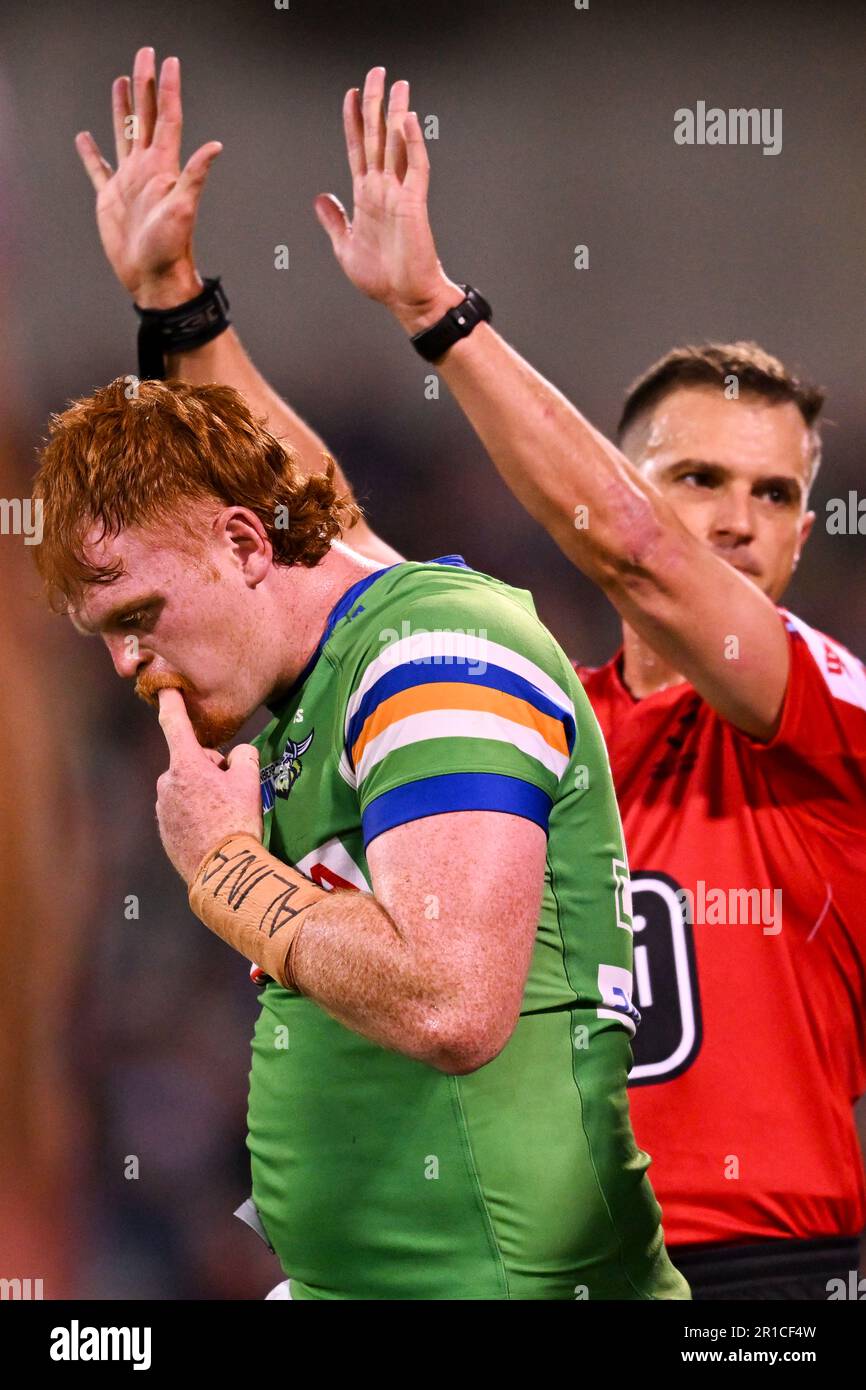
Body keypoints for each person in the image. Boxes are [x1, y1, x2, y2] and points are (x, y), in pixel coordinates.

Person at [37, 120, 690, 1294]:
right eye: (108, 637)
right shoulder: (315, 651)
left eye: (140, 613)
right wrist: (172, 303)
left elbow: (451, 1002)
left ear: (243, 547)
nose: (133, 663)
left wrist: (227, 870)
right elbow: (299, 498)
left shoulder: (435, 657)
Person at [310, 69, 866, 1300]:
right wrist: (182, 314)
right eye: (696, 479)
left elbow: (636, 551)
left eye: (772, 493)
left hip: (769, 1275)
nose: (735, 521)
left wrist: (432, 310)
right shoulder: (542, 728)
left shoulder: (836, 721)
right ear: (616, 480)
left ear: (801, 534)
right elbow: (329, 551)